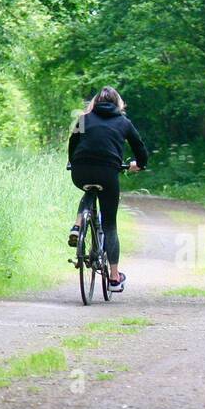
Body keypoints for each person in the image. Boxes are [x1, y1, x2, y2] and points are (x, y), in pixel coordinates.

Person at [67, 87, 147, 292]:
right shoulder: (123, 122)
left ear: (94, 102)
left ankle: (77, 225)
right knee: (110, 225)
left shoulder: (83, 119)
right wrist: (139, 164)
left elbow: (73, 144)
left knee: (88, 190)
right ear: (118, 103)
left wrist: (72, 162)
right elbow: (140, 148)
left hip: (80, 171)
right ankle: (113, 278)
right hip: (107, 174)